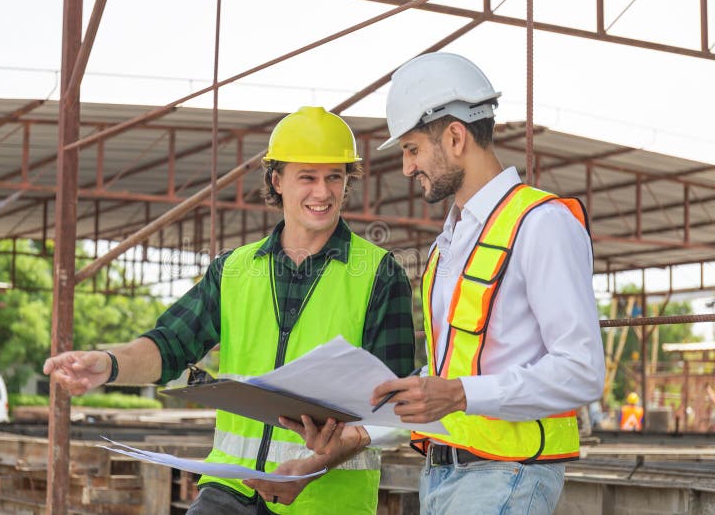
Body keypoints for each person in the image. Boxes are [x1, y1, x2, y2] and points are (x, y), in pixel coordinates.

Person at [43, 106, 415, 515]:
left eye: (334, 177)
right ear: (277, 180)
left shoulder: (380, 274)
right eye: (307, 177)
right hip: (230, 490)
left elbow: (395, 409)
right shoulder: (234, 269)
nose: (323, 193)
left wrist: (312, 466)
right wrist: (109, 364)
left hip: (325, 500)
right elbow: (169, 345)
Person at [365, 52, 606, 514]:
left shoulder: (541, 224)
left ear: (455, 137)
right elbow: (452, 375)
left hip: (508, 476)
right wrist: (360, 428)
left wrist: (459, 394)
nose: (406, 167)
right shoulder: (447, 245)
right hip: (442, 474)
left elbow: (582, 369)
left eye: (412, 149)